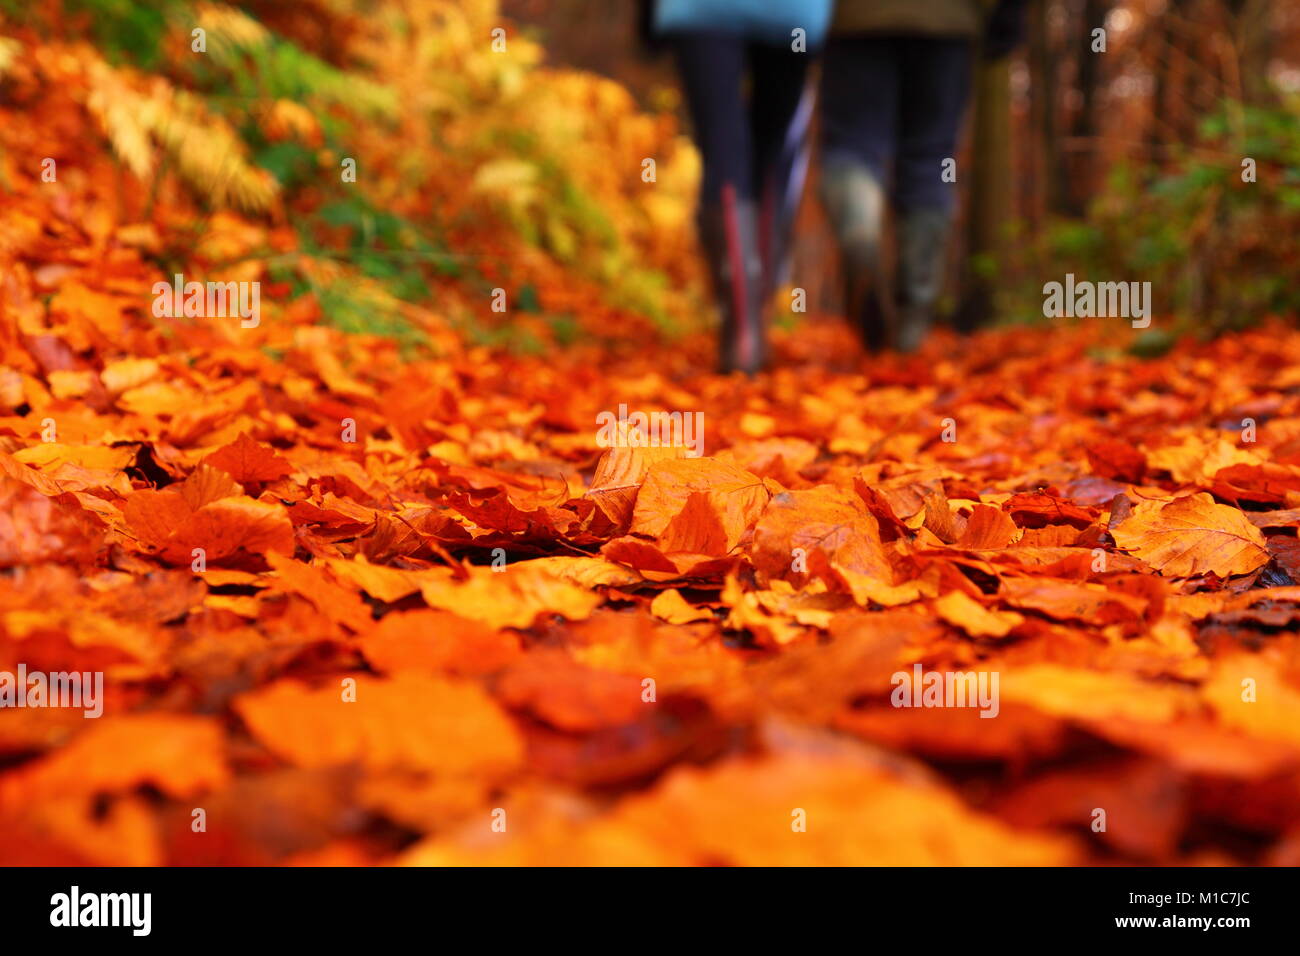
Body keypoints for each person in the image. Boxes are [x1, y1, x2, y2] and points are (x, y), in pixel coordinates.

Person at [818, 0, 1027, 352]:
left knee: (854, 148)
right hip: (947, 21)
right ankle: (913, 316)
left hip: (854, 19)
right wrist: (1009, 13)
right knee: (930, 159)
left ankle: (859, 232)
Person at [644, 0, 833, 374]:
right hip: (792, 14)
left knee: (723, 148)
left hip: (701, 12)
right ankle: (756, 324)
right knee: (774, 152)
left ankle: (741, 327)